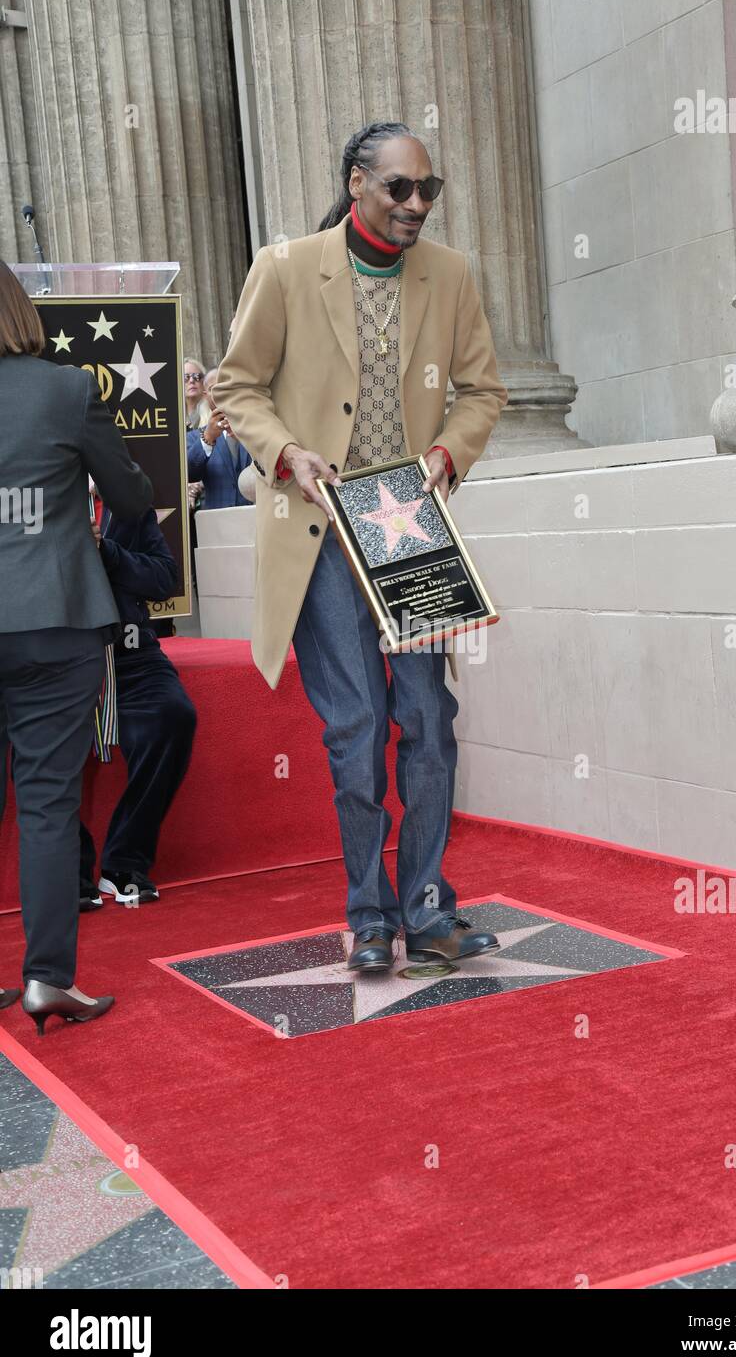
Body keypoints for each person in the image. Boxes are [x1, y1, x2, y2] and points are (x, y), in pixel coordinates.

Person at [214, 121, 507, 973]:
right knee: (358, 725)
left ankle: (427, 906)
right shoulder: (287, 268)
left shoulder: (449, 277)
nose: (417, 205)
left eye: (429, 191)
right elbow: (237, 385)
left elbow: (482, 389)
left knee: (428, 724)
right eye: (400, 190)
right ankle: (368, 913)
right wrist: (285, 454)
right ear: (357, 184)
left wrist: (447, 455)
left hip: (407, 526)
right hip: (322, 529)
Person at [0, 261, 153, 1033]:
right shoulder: (65, 390)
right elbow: (131, 497)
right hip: (54, 619)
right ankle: (46, 980)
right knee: (48, 806)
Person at [78, 492, 197, 910]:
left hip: (133, 655)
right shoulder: (29, 495)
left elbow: (164, 578)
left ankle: (125, 860)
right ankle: (69, 868)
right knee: (48, 744)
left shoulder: (125, 500)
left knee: (174, 715)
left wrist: (106, 551)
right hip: (61, 656)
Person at [185, 367, 252, 509]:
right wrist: (208, 437)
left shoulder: (254, 429)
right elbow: (189, 474)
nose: (221, 393)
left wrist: (246, 438)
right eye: (214, 388)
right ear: (205, 395)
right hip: (216, 522)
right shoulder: (194, 437)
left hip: (257, 518)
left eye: (225, 386)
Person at [183, 357, 208, 431]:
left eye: (197, 376)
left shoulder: (214, 413)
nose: (191, 380)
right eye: (185, 377)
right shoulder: (174, 417)